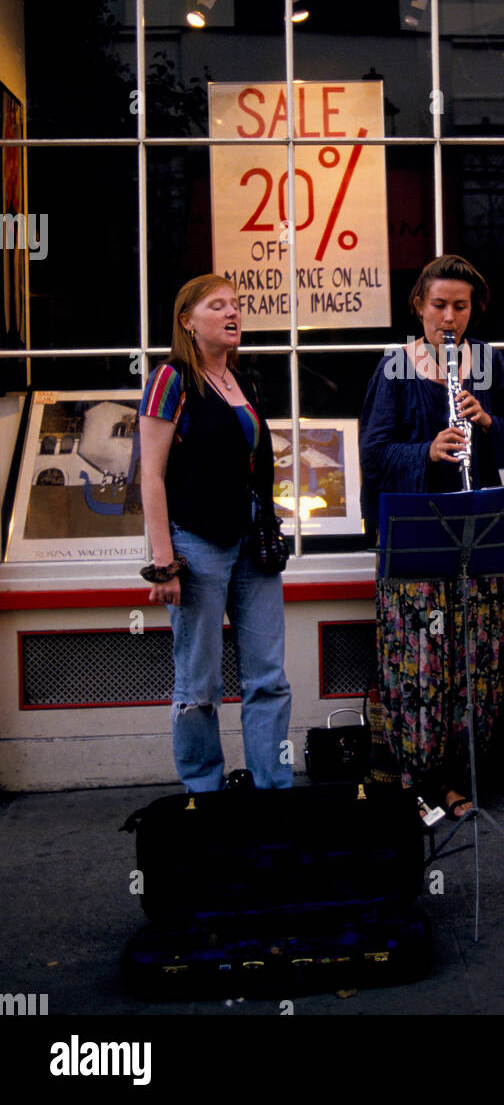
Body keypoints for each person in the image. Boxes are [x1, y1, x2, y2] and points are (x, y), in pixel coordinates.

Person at [359, 255, 504, 817]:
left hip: (475, 533)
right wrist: (427, 450)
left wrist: (486, 423)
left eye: (460, 306)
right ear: (418, 308)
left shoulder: (489, 363)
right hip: (419, 540)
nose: (449, 316)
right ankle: (421, 776)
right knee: (423, 659)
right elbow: (374, 455)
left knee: (471, 656)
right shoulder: (396, 367)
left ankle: (464, 771)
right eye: (439, 306)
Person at [138, 273, 292, 792]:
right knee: (199, 682)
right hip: (197, 545)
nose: (233, 313)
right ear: (187, 321)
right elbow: (151, 476)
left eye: (236, 304)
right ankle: (204, 789)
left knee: (268, 677)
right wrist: (164, 561)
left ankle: (273, 788)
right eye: (217, 305)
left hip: (254, 542)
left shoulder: (243, 381)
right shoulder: (171, 379)